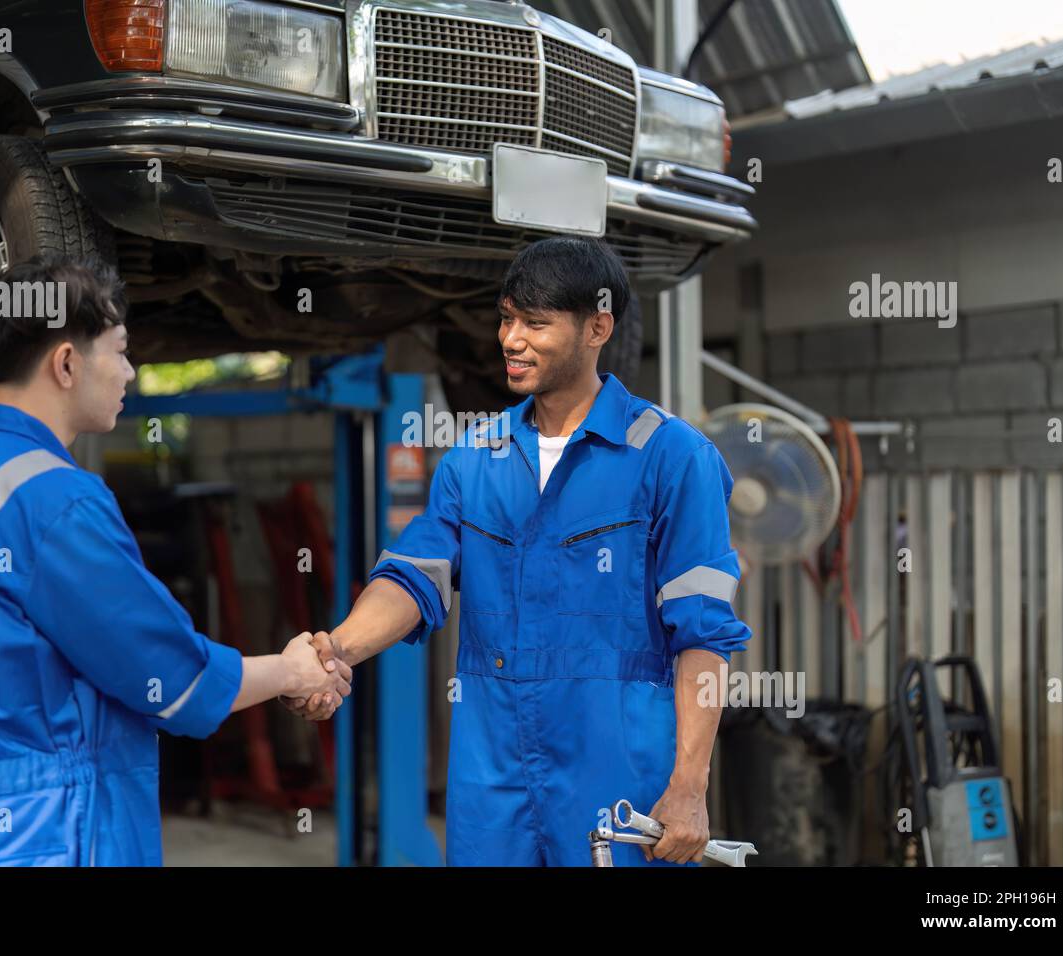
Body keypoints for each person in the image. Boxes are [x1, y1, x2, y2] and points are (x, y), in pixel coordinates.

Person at [285, 237, 751, 866]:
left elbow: (704, 634)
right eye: (507, 317)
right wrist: (335, 652)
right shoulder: (475, 459)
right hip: (491, 779)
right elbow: (414, 577)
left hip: (616, 778)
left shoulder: (671, 458)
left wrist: (690, 787)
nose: (511, 338)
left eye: (536, 322)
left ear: (597, 327)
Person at [0, 255, 349, 866]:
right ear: (66, 363)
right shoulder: (54, 498)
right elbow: (170, 676)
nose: (130, 372)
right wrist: (295, 671)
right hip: (53, 838)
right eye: (119, 351)